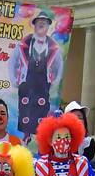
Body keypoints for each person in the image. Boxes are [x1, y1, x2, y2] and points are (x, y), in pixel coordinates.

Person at [9, 8, 63, 139]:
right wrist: (13, 79)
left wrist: (55, 82)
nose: (41, 24)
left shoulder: (54, 47)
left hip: (43, 83)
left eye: (44, 22)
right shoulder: (23, 43)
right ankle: (25, 136)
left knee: (41, 111)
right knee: (26, 109)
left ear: (48, 26)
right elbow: (13, 62)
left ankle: (39, 139)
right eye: (39, 22)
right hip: (27, 81)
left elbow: (59, 66)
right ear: (34, 25)